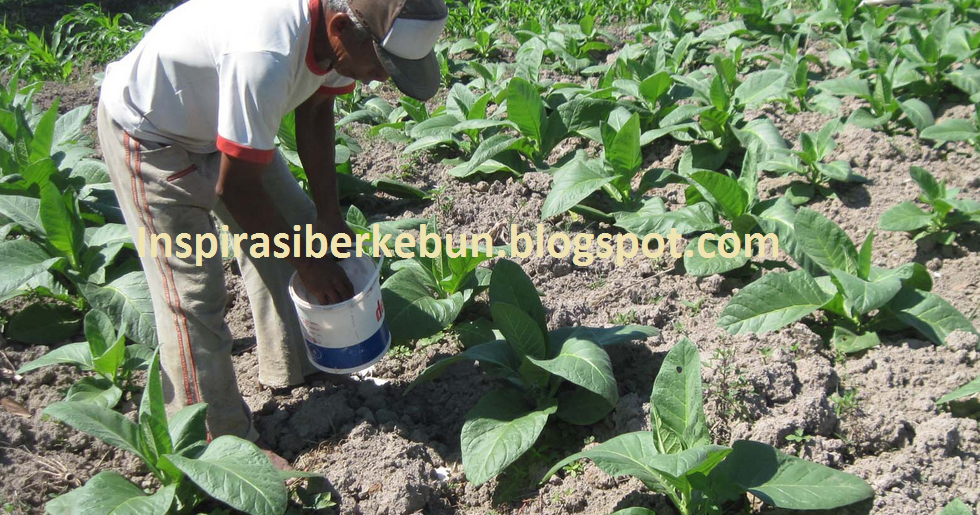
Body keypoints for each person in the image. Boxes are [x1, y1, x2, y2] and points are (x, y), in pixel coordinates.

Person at [95, 0, 447, 453]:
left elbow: (317, 109)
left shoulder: (341, 29)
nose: (381, 78)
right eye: (380, 65)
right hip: (151, 132)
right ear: (340, 29)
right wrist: (307, 260)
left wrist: (329, 216)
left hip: (217, 121)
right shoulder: (265, 51)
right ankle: (215, 448)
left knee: (299, 230)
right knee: (192, 293)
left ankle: (297, 367)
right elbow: (236, 189)